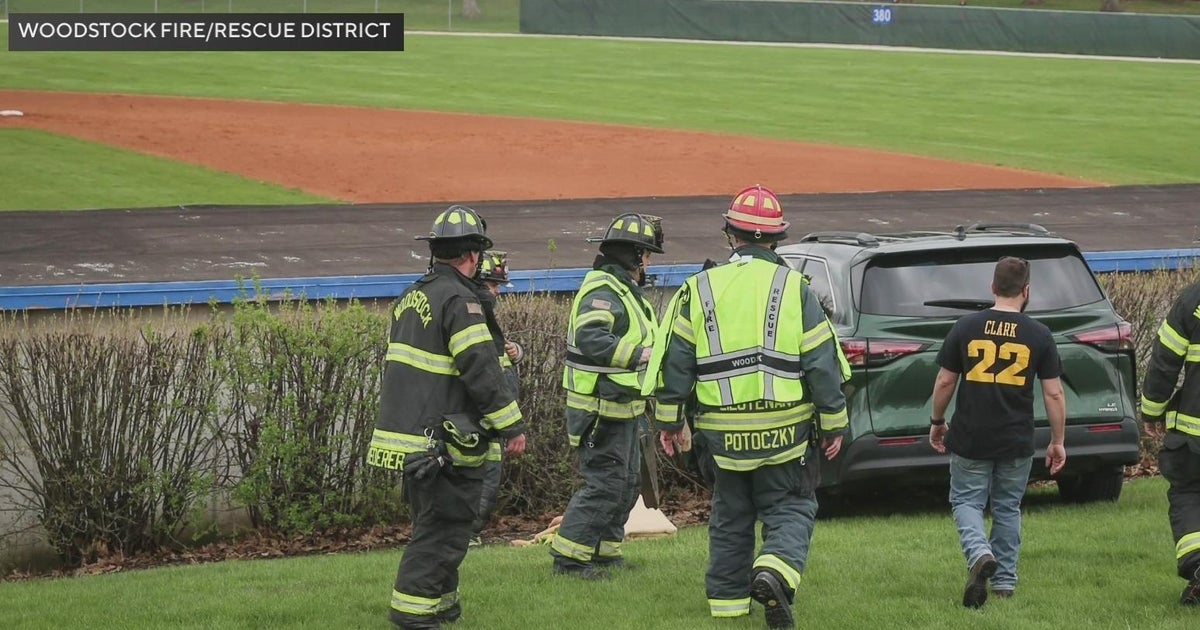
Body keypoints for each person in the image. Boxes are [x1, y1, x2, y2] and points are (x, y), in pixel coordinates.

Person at [649, 185, 848, 630]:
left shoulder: (698, 289)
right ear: (777, 239)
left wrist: (669, 421)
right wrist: (834, 425)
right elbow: (822, 365)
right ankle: (774, 572)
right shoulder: (796, 288)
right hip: (786, 435)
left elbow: (675, 363)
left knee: (730, 517)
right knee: (791, 507)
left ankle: (728, 610)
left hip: (721, 438)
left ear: (729, 235)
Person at [366, 205, 527, 630]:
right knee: (443, 530)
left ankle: (443, 605)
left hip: (412, 438)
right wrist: (511, 425)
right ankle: (414, 615)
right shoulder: (460, 300)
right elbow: (481, 368)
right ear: (473, 256)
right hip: (442, 443)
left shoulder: (412, 296)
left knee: (440, 524)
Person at [928, 256, 1066, 609]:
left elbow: (945, 380)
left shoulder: (965, 327)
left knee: (966, 501)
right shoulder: (1039, 334)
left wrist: (937, 420)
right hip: (1015, 438)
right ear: (1026, 291)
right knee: (1007, 507)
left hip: (971, 435)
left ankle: (978, 553)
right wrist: (1057, 441)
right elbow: (1053, 393)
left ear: (993, 287)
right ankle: (1004, 581)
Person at [549, 212, 664, 580]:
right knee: (605, 485)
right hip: (600, 409)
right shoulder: (604, 290)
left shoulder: (626, 292)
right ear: (632, 256)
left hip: (622, 407)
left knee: (626, 484)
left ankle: (605, 555)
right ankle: (569, 559)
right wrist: (640, 355)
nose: (648, 263)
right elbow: (592, 338)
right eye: (646, 255)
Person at [1139, 278, 1200, 606]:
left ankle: (1198, 566)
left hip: (1194, 434)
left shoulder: (1194, 298)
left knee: (1189, 491)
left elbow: (1165, 360)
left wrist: (1152, 410)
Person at [469, 251, 525, 547]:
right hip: (478, 424)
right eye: (492, 284)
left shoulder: (484, 318)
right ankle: (466, 535)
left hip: (493, 423)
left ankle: (471, 534)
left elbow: (499, 368)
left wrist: (515, 351)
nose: (497, 291)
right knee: (476, 483)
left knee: (488, 483)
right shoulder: (468, 317)